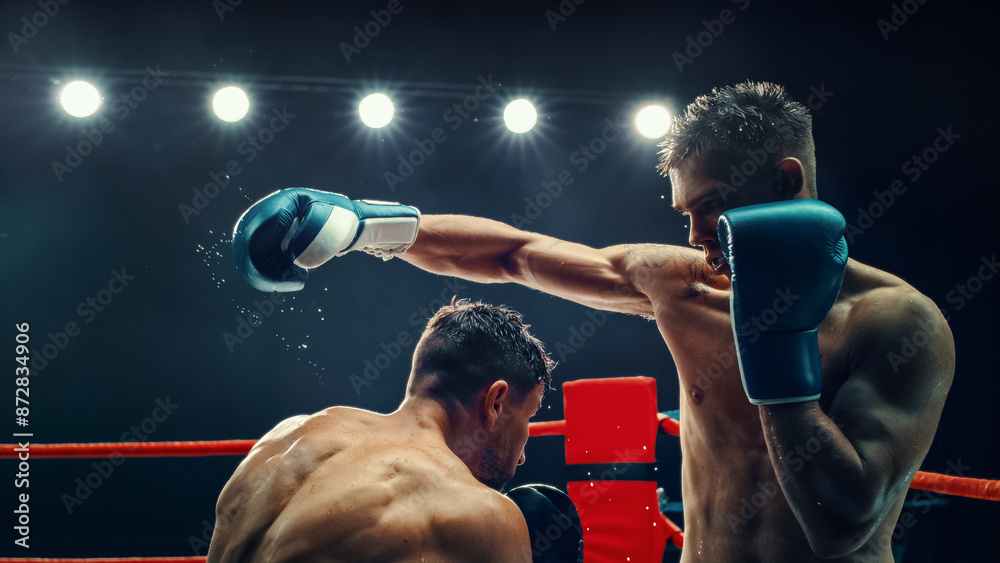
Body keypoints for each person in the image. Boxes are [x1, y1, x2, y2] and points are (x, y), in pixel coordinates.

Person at [232, 81, 955, 562]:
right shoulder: (685, 286)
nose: (696, 234)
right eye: (684, 214)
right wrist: (364, 226)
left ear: (786, 182)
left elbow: (843, 521)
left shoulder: (898, 324)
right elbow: (515, 255)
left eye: (710, 207)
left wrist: (777, 343)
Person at [206, 298, 582, 562]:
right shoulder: (485, 515)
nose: (523, 452)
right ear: (495, 402)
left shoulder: (289, 437)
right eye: (529, 415)